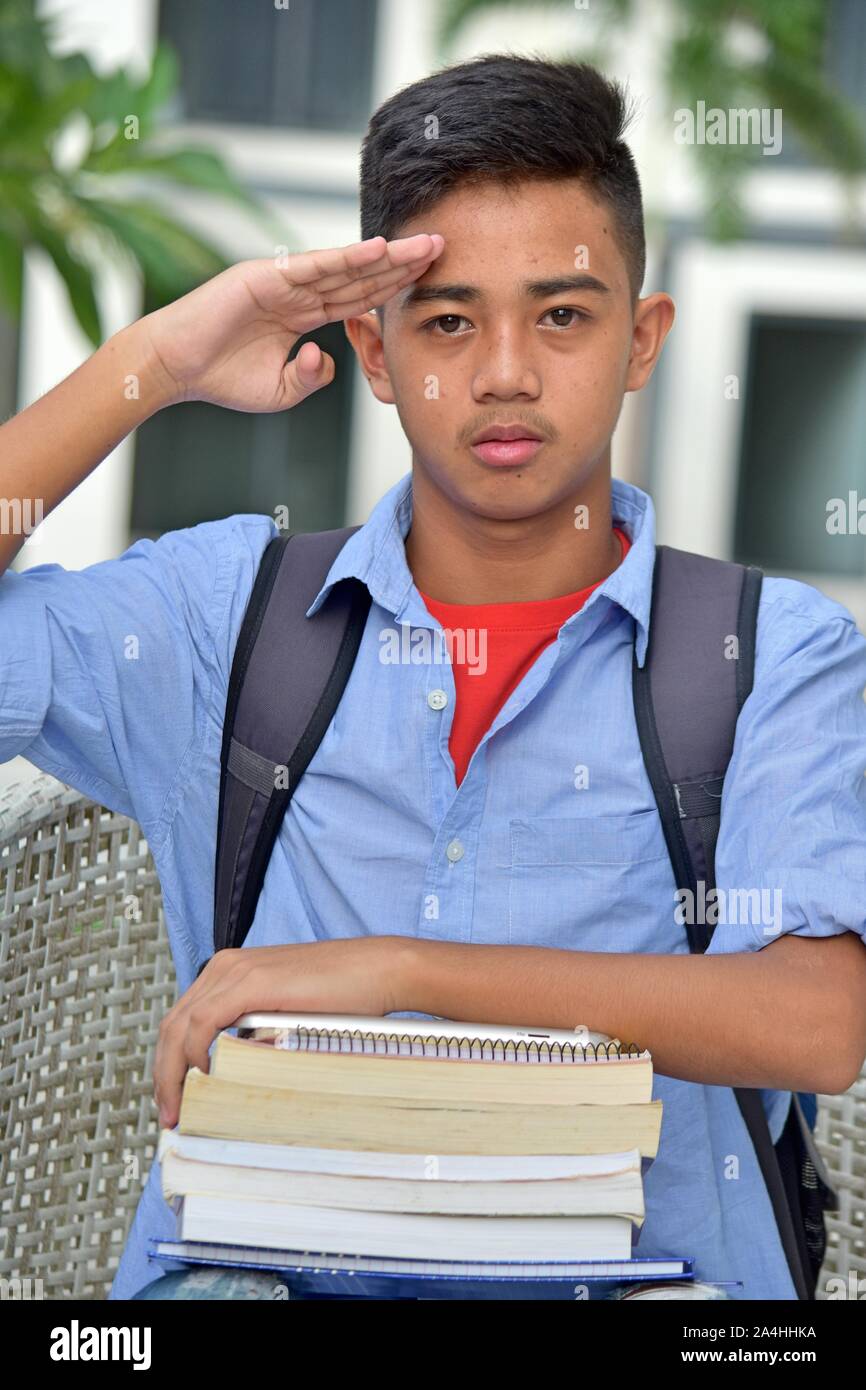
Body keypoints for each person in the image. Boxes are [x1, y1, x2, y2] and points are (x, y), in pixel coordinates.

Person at [1, 54, 865, 1303]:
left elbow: (815, 1025)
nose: (505, 370)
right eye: (448, 319)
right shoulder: (221, 621)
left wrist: (399, 971)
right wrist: (159, 358)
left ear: (642, 338)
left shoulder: (769, 650)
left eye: (562, 314)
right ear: (372, 344)